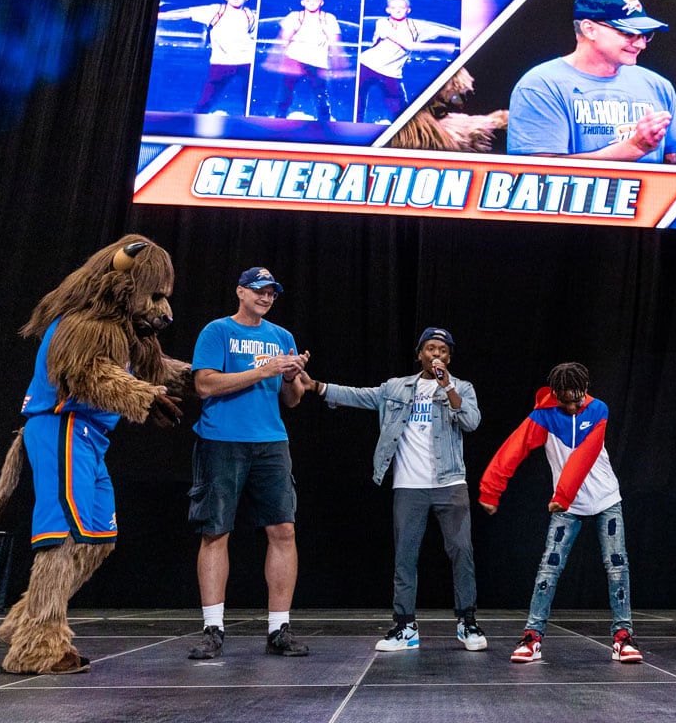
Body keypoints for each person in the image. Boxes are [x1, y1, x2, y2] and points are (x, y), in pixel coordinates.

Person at [300, 326, 487, 652]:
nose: (437, 355)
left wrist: (449, 388)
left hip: (450, 482)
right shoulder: (396, 388)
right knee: (405, 556)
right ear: (420, 355)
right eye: (431, 349)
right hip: (409, 485)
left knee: (462, 553)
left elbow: (471, 422)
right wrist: (317, 387)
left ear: (450, 357)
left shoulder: (462, 388)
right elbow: (359, 395)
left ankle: (467, 622)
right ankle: (404, 627)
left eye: (443, 350)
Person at [479, 362, 642, 664]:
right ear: (555, 394)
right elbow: (513, 449)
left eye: (576, 399)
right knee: (549, 568)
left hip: (605, 500)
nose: (571, 405)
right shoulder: (545, 415)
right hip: (566, 506)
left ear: (585, 390)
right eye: (565, 400)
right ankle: (532, 637)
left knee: (617, 567)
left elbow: (585, 455)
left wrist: (562, 495)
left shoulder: (598, 410)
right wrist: (491, 490)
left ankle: (623, 637)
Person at [187, 266, 311, 660]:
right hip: (221, 440)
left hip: (271, 442)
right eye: (259, 290)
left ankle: (279, 628)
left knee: (284, 531)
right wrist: (264, 369)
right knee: (216, 531)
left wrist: (292, 377)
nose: (266, 297)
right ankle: (213, 629)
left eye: (272, 292)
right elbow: (204, 384)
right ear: (240, 291)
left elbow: (291, 400)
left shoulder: (282, 337)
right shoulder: (217, 331)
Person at [507, 0, 676, 164]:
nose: (641, 45)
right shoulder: (542, 85)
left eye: (645, 35)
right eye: (628, 33)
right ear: (589, 29)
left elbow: (672, 160)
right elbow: (536, 173)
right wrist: (633, 148)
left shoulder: (658, 85)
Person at [158, 0, 258, 115]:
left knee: (248, 96)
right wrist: (158, 15)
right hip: (222, 62)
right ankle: (196, 119)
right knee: (208, 96)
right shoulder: (215, 10)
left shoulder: (251, 15)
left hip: (246, 61)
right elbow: (186, 14)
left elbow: (252, 35)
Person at [356, 0, 451, 123]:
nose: (398, 10)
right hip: (366, 66)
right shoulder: (382, 23)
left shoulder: (416, 26)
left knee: (401, 112)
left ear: (408, 10)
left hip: (392, 73)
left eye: (401, 7)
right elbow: (408, 45)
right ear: (388, 10)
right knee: (358, 104)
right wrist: (444, 48)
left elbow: (440, 31)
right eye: (394, 7)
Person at [274, 0, 342, 121]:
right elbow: (285, 36)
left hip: (318, 61)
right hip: (294, 58)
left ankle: (324, 124)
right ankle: (279, 120)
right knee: (285, 93)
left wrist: (337, 61)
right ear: (302, 2)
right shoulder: (295, 16)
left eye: (315, 0)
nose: (312, 3)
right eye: (308, 0)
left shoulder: (329, 18)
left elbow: (334, 40)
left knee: (321, 95)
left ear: (321, 2)